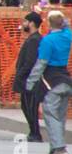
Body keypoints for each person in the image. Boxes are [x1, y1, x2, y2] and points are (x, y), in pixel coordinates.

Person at [24, 10, 72, 154]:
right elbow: (67, 28)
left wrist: (30, 83)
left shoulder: (48, 40)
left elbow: (41, 63)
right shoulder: (67, 36)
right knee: (60, 116)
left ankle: (59, 147)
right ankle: (54, 148)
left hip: (52, 81)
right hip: (65, 79)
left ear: (48, 23)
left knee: (50, 114)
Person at [13, 11, 45, 142]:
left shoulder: (34, 40)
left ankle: (35, 132)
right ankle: (33, 132)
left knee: (29, 106)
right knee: (26, 106)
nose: (23, 24)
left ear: (31, 23)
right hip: (29, 79)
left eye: (25, 21)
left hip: (29, 80)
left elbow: (30, 62)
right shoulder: (33, 39)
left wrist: (20, 75)